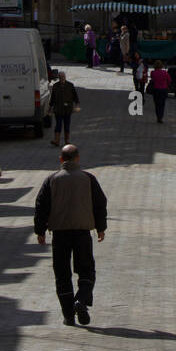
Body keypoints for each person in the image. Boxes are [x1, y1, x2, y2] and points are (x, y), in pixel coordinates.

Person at [34, 144, 107, 326]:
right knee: (86, 269)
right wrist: (100, 227)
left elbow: (41, 205)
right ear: (78, 159)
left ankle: (68, 314)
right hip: (82, 232)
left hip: (59, 234)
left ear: (61, 160)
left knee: (62, 273)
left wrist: (40, 230)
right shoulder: (88, 179)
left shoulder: (51, 180)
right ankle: (81, 300)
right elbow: (100, 203)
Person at [49, 70, 80, 148]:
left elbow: (75, 96)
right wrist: (50, 107)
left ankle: (67, 140)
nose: (62, 78)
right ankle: (57, 140)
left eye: (63, 77)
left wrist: (77, 105)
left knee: (67, 125)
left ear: (65, 77)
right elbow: (52, 98)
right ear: (59, 78)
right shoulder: (55, 86)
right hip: (58, 109)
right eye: (60, 77)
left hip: (67, 109)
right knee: (58, 125)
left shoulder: (70, 85)